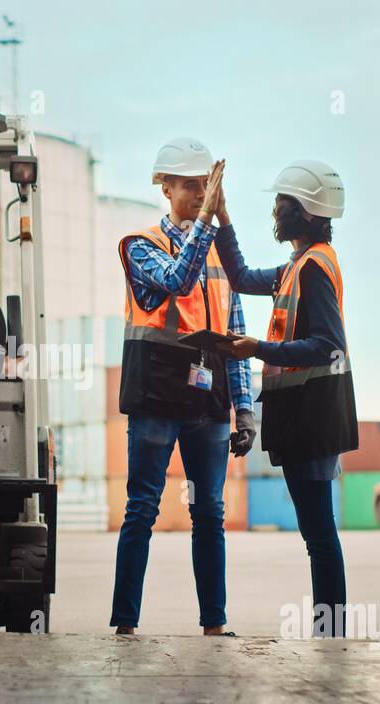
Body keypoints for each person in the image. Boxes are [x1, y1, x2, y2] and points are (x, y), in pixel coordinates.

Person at [110, 137, 257, 636]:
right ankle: (125, 624)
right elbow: (175, 279)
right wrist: (207, 225)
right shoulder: (140, 246)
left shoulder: (219, 254)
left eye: (205, 186)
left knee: (209, 512)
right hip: (154, 398)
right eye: (190, 186)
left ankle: (214, 624)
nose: (200, 194)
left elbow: (236, 332)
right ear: (164, 187)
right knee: (142, 507)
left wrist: (246, 411)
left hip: (207, 403)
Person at [216, 160, 359, 637]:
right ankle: (329, 632)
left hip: (315, 414)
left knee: (320, 537)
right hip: (303, 413)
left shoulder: (314, 269)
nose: (276, 211)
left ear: (311, 213)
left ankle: (331, 635)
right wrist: (223, 217)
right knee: (316, 536)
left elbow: (327, 344)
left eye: (285, 204)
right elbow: (238, 277)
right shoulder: (296, 266)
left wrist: (258, 348)